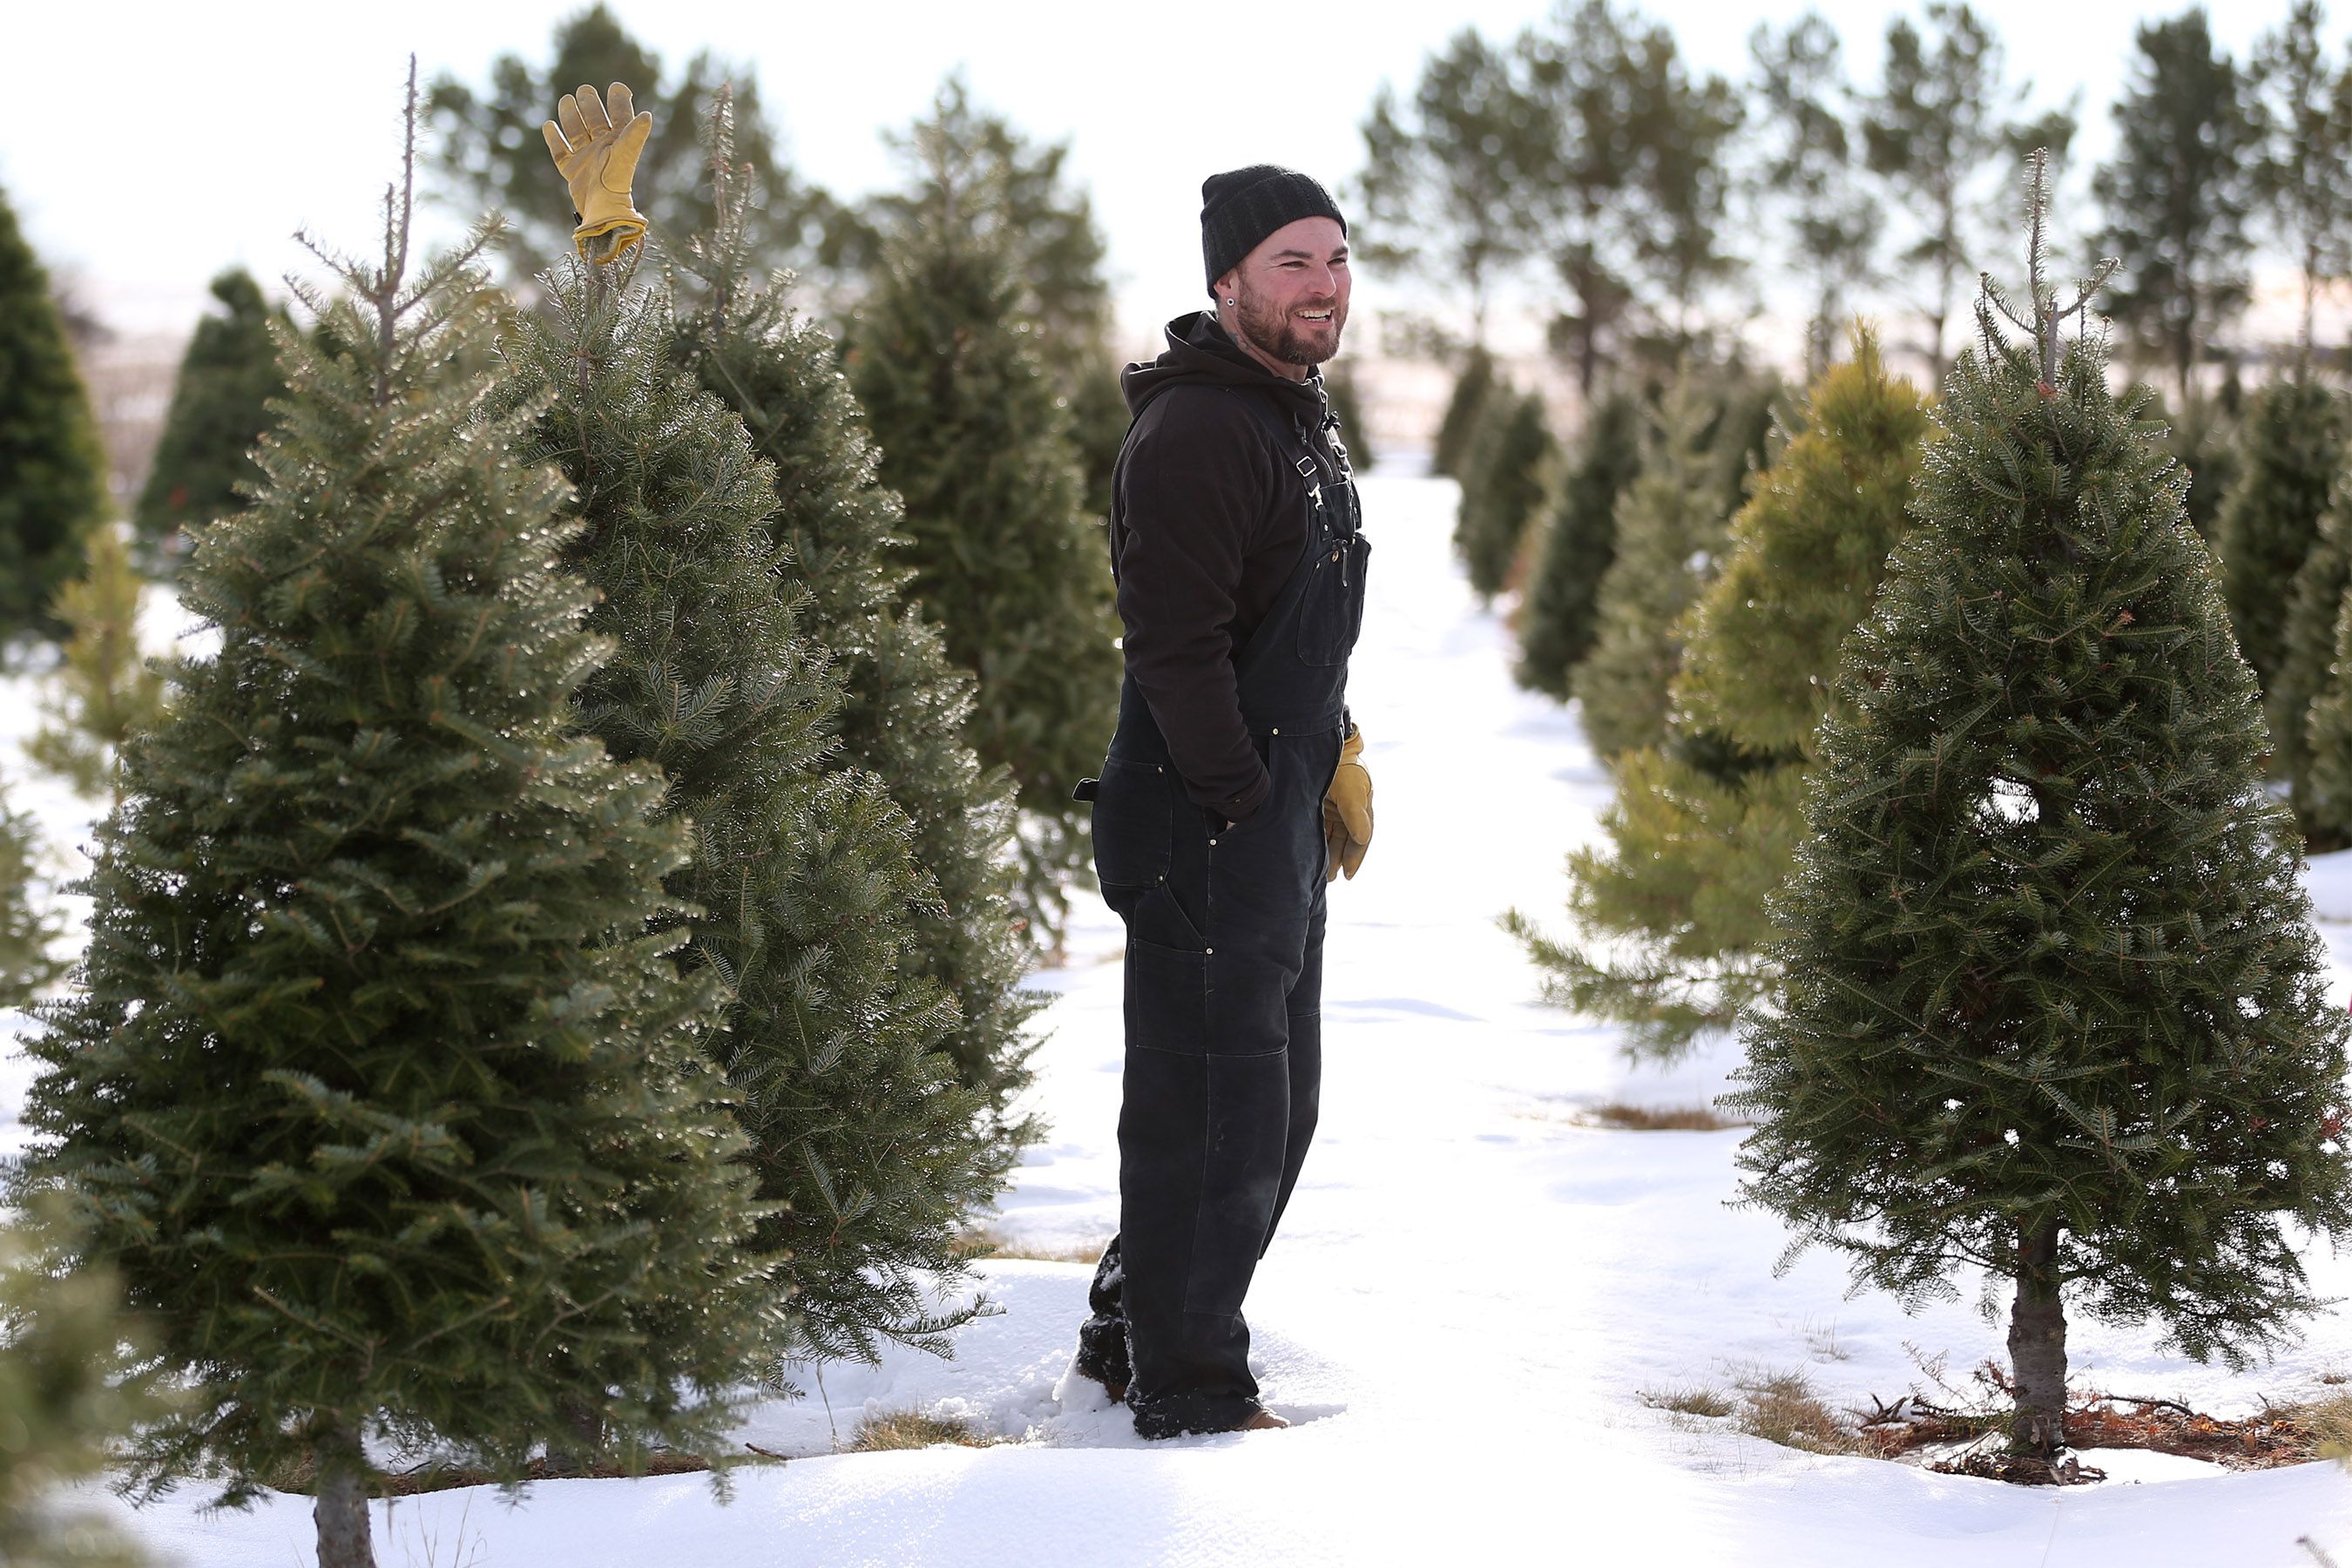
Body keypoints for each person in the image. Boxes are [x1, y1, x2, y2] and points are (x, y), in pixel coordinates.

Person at [1069, 165, 1375, 1439]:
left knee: (1268, 1107)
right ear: (1228, 280)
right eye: (1293, 263)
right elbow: (1175, 647)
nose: (1323, 286)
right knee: (1213, 1115)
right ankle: (1189, 1388)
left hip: (1271, 804)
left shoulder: (1288, 409)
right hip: (1210, 816)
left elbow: (1291, 621)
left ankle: (1125, 1334)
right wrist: (1246, 798)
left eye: (1337, 259)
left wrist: (1332, 751)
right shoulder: (1200, 428)